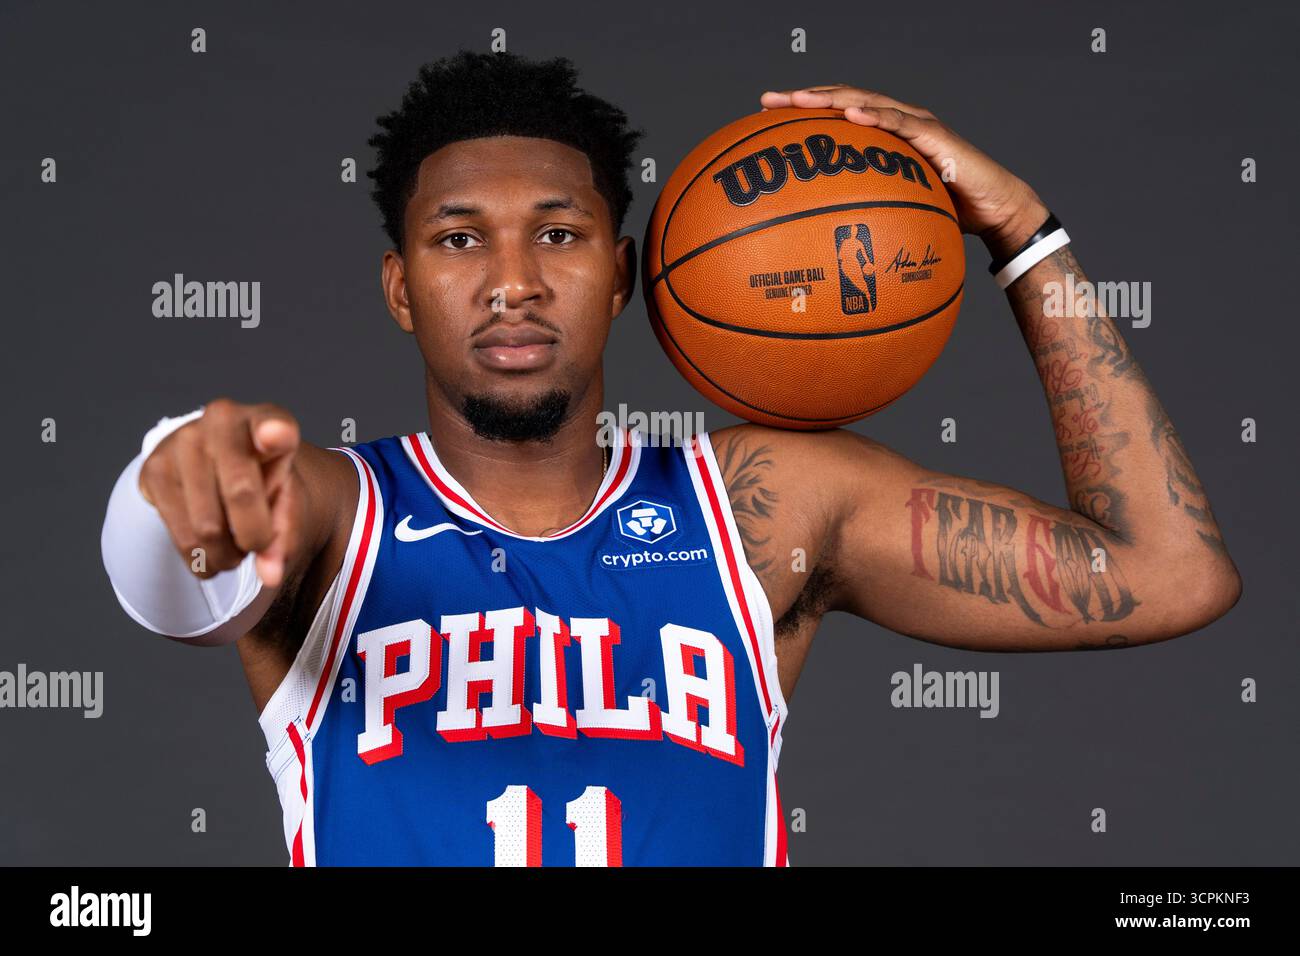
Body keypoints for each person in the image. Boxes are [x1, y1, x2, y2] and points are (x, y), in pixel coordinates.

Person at [100, 51, 1242, 866]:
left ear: (626, 267)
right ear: (401, 286)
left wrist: (1023, 233)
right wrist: (177, 475)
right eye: (459, 239)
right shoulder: (334, 511)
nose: (512, 280)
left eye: (559, 233)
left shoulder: (763, 505)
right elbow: (186, 550)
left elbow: (1168, 570)